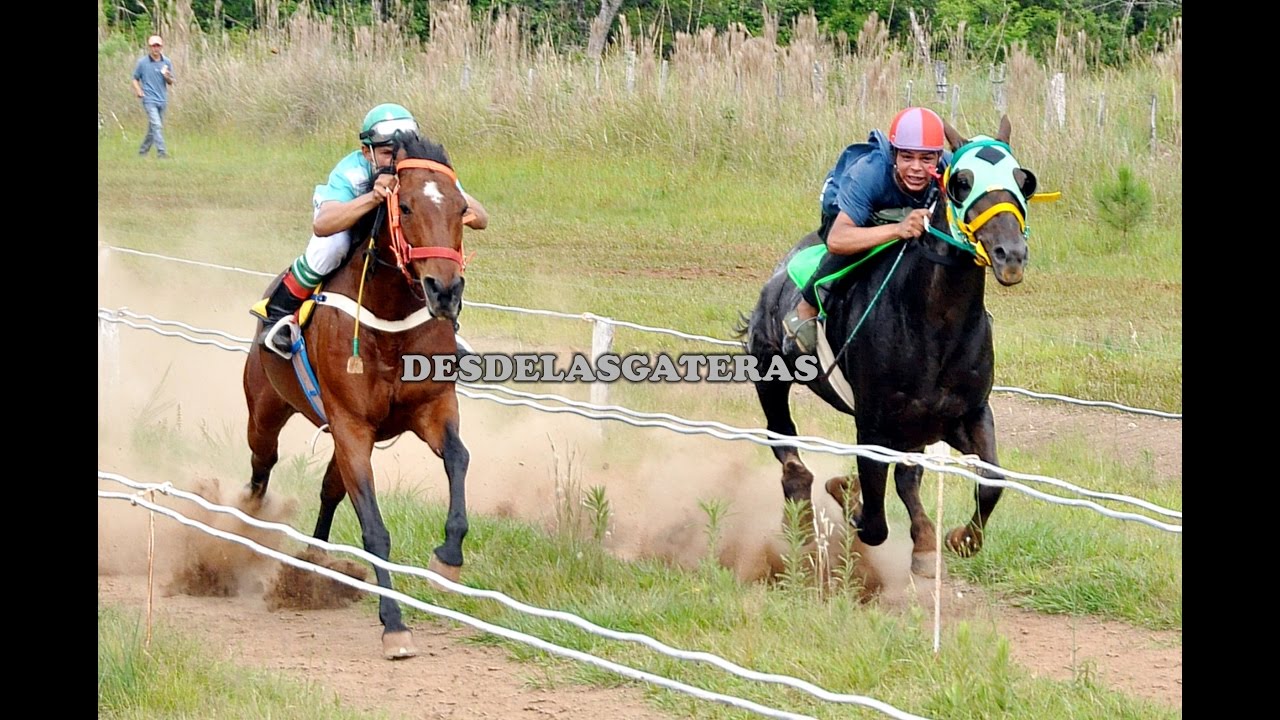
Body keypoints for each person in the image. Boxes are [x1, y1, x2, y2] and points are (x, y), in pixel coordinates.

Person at [256, 103, 489, 357]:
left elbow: (481, 218)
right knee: (333, 248)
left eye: (402, 151)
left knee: (432, 256)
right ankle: (278, 313)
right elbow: (323, 225)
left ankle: (447, 330)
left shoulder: (422, 170)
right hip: (346, 219)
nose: (396, 160)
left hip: (394, 232)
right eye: (388, 153)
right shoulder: (351, 172)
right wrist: (373, 198)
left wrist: (450, 200)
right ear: (367, 152)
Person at [782, 106, 951, 355]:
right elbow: (838, 240)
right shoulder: (870, 172)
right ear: (894, 155)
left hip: (901, 213)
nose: (916, 167)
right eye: (907, 157)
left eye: (926, 159)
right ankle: (806, 307)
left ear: (938, 157)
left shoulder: (948, 168)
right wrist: (899, 229)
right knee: (857, 250)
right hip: (845, 219)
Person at [132, 35, 175, 158]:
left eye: (158, 46)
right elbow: (134, 79)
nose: (155, 48)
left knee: (153, 129)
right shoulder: (142, 62)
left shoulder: (166, 62)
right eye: (153, 46)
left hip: (162, 99)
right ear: (149, 47)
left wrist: (167, 76)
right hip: (149, 99)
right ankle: (162, 152)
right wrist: (139, 90)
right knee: (157, 125)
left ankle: (143, 151)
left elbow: (171, 81)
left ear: (161, 47)